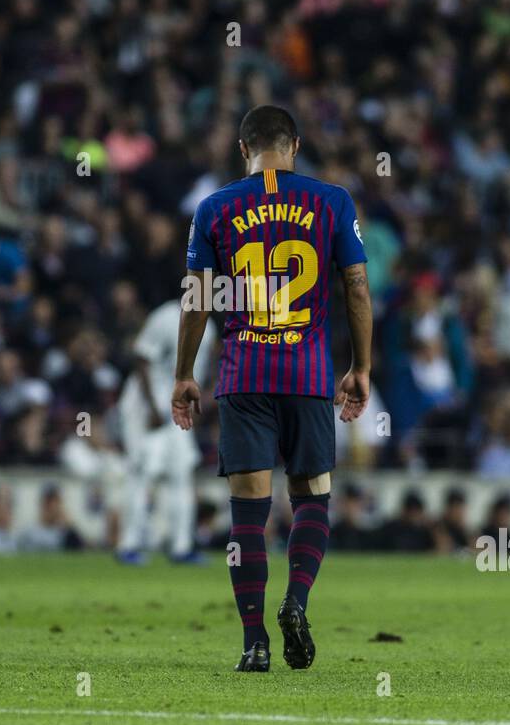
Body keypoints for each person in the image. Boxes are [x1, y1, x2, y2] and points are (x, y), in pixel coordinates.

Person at [171, 104, 371, 673]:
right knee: (312, 499)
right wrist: (361, 365)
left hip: (243, 375)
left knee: (246, 517)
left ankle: (254, 642)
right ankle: (297, 601)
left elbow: (197, 300)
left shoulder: (214, 208)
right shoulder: (333, 201)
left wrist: (185, 373)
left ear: (243, 149)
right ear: (295, 145)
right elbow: (356, 289)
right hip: (307, 375)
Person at [116, 299, 215, 565]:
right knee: (142, 473)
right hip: (145, 408)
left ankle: (181, 547)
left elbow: (199, 374)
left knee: (181, 474)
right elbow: (142, 360)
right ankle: (129, 545)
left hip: (177, 407)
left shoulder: (210, 325)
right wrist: (151, 408)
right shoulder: (166, 316)